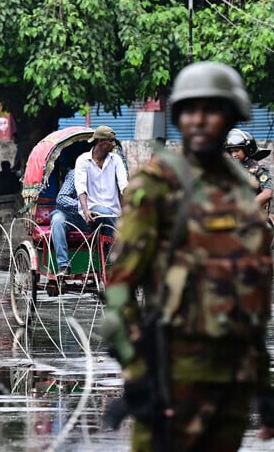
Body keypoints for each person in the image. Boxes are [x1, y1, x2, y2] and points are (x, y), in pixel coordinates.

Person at [101, 61, 274, 450]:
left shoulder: (241, 192)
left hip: (230, 388)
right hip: (169, 383)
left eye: (211, 110)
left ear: (230, 116)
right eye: (190, 110)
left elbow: (253, 303)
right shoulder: (158, 184)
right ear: (179, 116)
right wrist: (140, 378)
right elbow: (119, 295)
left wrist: (263, 390)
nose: (199, 120)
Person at [74, 125, 128, 232]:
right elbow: (81, 188)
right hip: (92, 211)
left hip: (114, 212)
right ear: (101, 141)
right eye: (111, 141)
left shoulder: (116, 160)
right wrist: (86, 211)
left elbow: (123, 184)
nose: (114, 144)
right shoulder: (83, 160)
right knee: (106, 214)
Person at [49, 169, 91, 277]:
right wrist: (83, 206)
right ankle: (63, 265)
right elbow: (61, 198)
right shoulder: (75, 174)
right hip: (68, 214)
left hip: (89, 217)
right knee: (57, 222)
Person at [224, 128, 273, 215]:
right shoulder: (229, 170)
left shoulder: (259, 169)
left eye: (236, 150)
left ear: (247, 150)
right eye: (231, 151)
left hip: (256, 218)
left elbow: (267, 193)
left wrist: (245, 208)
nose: (234, 154)